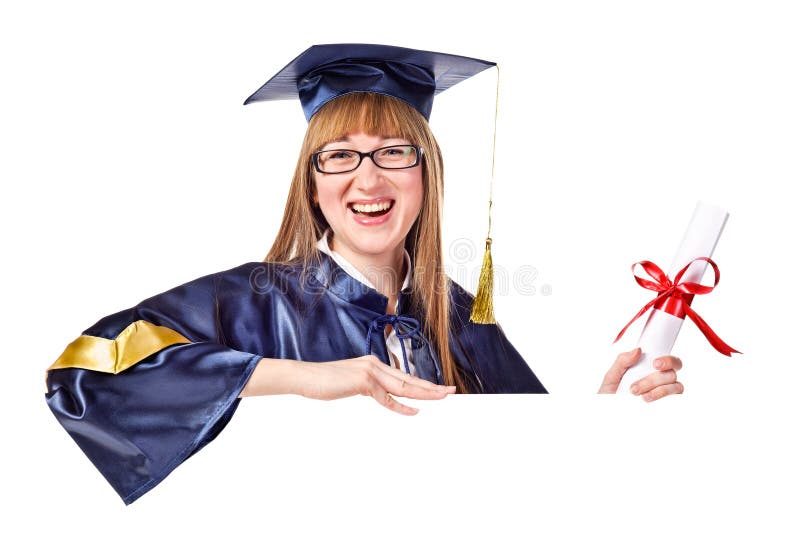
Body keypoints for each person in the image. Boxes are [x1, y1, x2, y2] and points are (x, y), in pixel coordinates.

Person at [43, 44, 683, 505]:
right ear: (312, 183)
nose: (368, 178)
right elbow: (83, 370)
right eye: (340, 154)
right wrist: (301, 377)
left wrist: (606, 416)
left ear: (425, 174)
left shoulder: (460, 315)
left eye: (394, 152)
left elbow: (539, 477)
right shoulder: (250, 302)